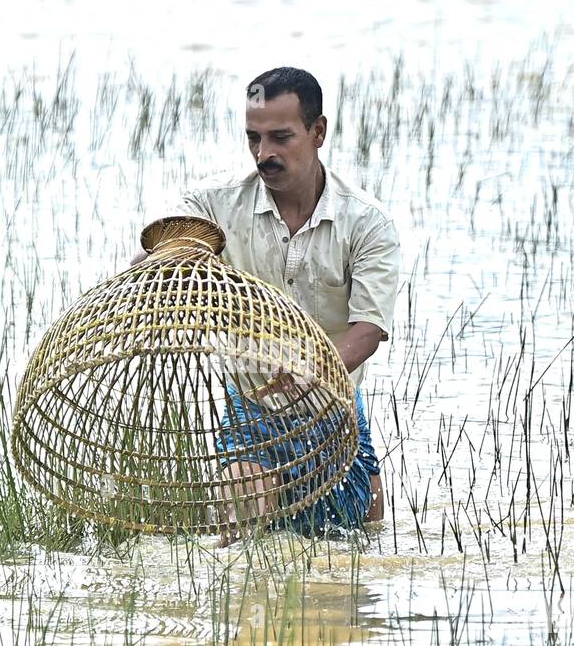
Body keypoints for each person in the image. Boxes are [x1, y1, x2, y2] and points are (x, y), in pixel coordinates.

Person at [139, 66, 401, 543]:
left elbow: (368, 330)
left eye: (281, 137)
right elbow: (169, 245)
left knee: (361, 539)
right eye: (254, 138)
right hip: (253, 402)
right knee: (236, 540)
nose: (265, 154)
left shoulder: (366, 221)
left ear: (318, 132)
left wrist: (313, 371)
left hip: (333, 404)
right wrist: (164, 259)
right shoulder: (216, 202)